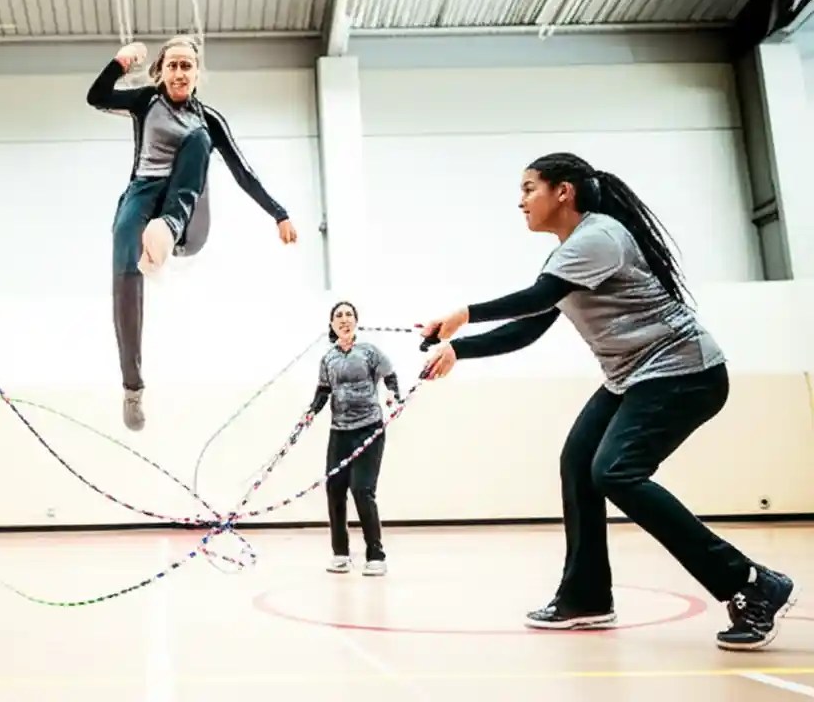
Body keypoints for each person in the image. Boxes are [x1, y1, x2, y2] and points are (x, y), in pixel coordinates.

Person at [418, 152, 797, 650]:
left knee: (615, 470)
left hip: (685, 372)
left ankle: (751, 584)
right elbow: (532, 325)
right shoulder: (570, 251)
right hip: (634, 378)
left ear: (563, 192)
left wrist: (464, 314)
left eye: (529, 188)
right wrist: (456, 349)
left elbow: (536, 298)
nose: (520, 201)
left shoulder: (598, 237)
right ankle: (586, 596)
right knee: (579, 463)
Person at [86, 35, 299, 431]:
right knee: (123, 247)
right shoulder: (145, 100)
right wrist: (119, 63)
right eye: (173, 66)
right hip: (144, 192)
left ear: (197, 74)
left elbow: (242, 172)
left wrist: (279, 213)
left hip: (188, 212)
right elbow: (96, 97)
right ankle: (132, 388)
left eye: (187, 66)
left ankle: (166, 232)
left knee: (199, 138)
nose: (180, 73)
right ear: (161, 72)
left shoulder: (209, 120)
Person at [307, 301, 401, 576]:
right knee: (335, 490)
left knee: (362, 489)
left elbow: (390, 375)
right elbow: (324, 390)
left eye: (349, 315)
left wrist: (392, 394)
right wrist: (311, 412)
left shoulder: (369, 351)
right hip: (339, 432)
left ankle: (376, 554)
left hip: (369, 429)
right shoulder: (328, 358)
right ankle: (340, 554)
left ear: (356, 321)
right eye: (339, 316)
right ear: (332, 325)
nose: (344, 319)